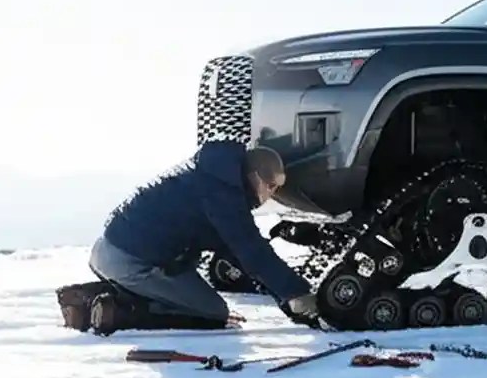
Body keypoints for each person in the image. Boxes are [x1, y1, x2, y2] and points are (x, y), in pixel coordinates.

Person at [66, 140, 320, 335]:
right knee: (212, 313)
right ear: (255, 177)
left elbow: (239, 253)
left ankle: (107, 295)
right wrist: (297, 293)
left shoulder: (214, 179)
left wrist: (283, 297)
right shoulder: (222, 196)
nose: (272, 194)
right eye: (271, 186)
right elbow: (251, 250)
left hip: (110, 250)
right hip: (130, 261)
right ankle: (111, 310)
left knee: (203, 305)